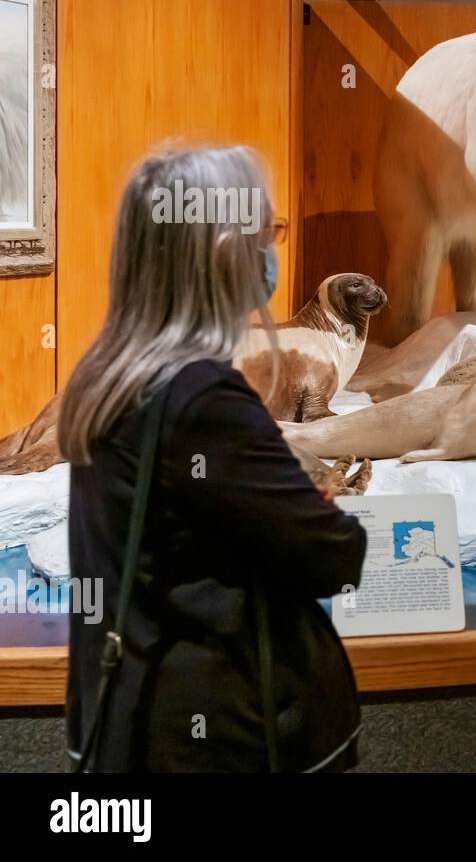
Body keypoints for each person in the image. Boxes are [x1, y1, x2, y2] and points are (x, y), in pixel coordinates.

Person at [59, 146, 368, 772]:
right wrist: (310, 506)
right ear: (223, 249)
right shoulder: (203, 398)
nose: (270, 252)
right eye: (266, 233)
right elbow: (332, 554)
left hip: (126, 718)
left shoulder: (105, 375)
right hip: (220, 739)